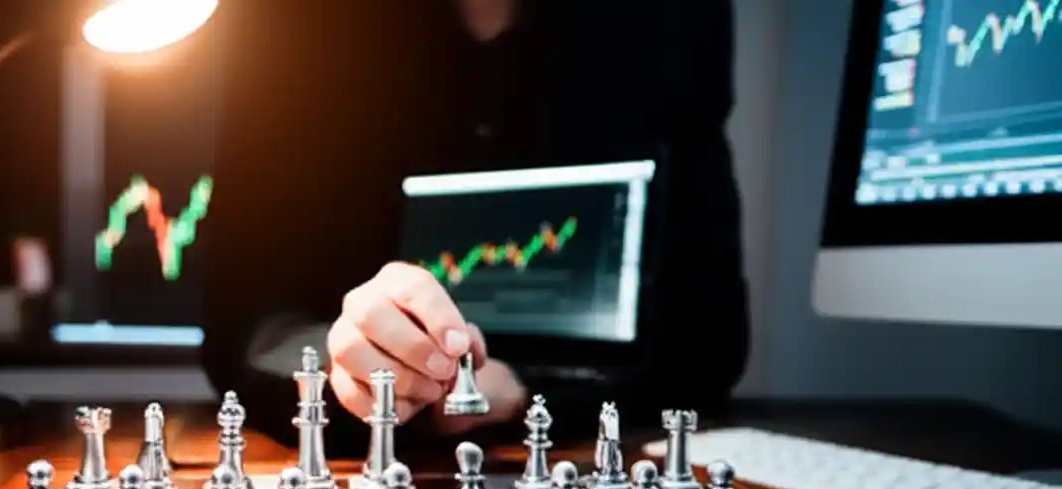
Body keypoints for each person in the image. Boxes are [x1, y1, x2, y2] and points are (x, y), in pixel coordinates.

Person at [201, 0, 749, 450]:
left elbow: (706, 347)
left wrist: (530, 396)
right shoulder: (278, 21)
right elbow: (242, 326)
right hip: (359, 447)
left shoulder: (678, 21)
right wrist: (342, 363)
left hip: (594, 447)